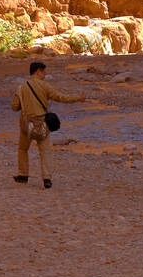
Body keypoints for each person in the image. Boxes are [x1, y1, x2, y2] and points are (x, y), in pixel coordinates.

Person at [11, 60, 86, 189]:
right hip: (42, 125)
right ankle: (47, 179)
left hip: (26, 126)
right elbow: (60, 97)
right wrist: (77, 98)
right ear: (38, 71)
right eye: (44, 72)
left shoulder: (21, 87)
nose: (45, 75)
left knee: (23, 149)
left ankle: (23, 175)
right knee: (45, 152)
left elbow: (14, 107)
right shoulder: (45, 86)